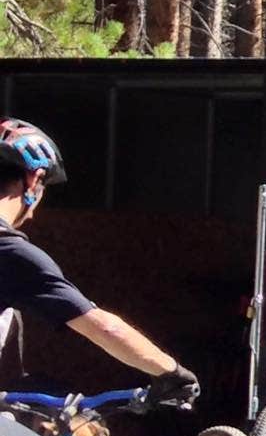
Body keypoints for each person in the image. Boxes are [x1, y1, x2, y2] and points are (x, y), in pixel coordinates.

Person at [0, 120, 194, 400]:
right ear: (33, 179)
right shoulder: (13, 254)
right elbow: (101, 327)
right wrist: (171, 372)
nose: (32, 214)